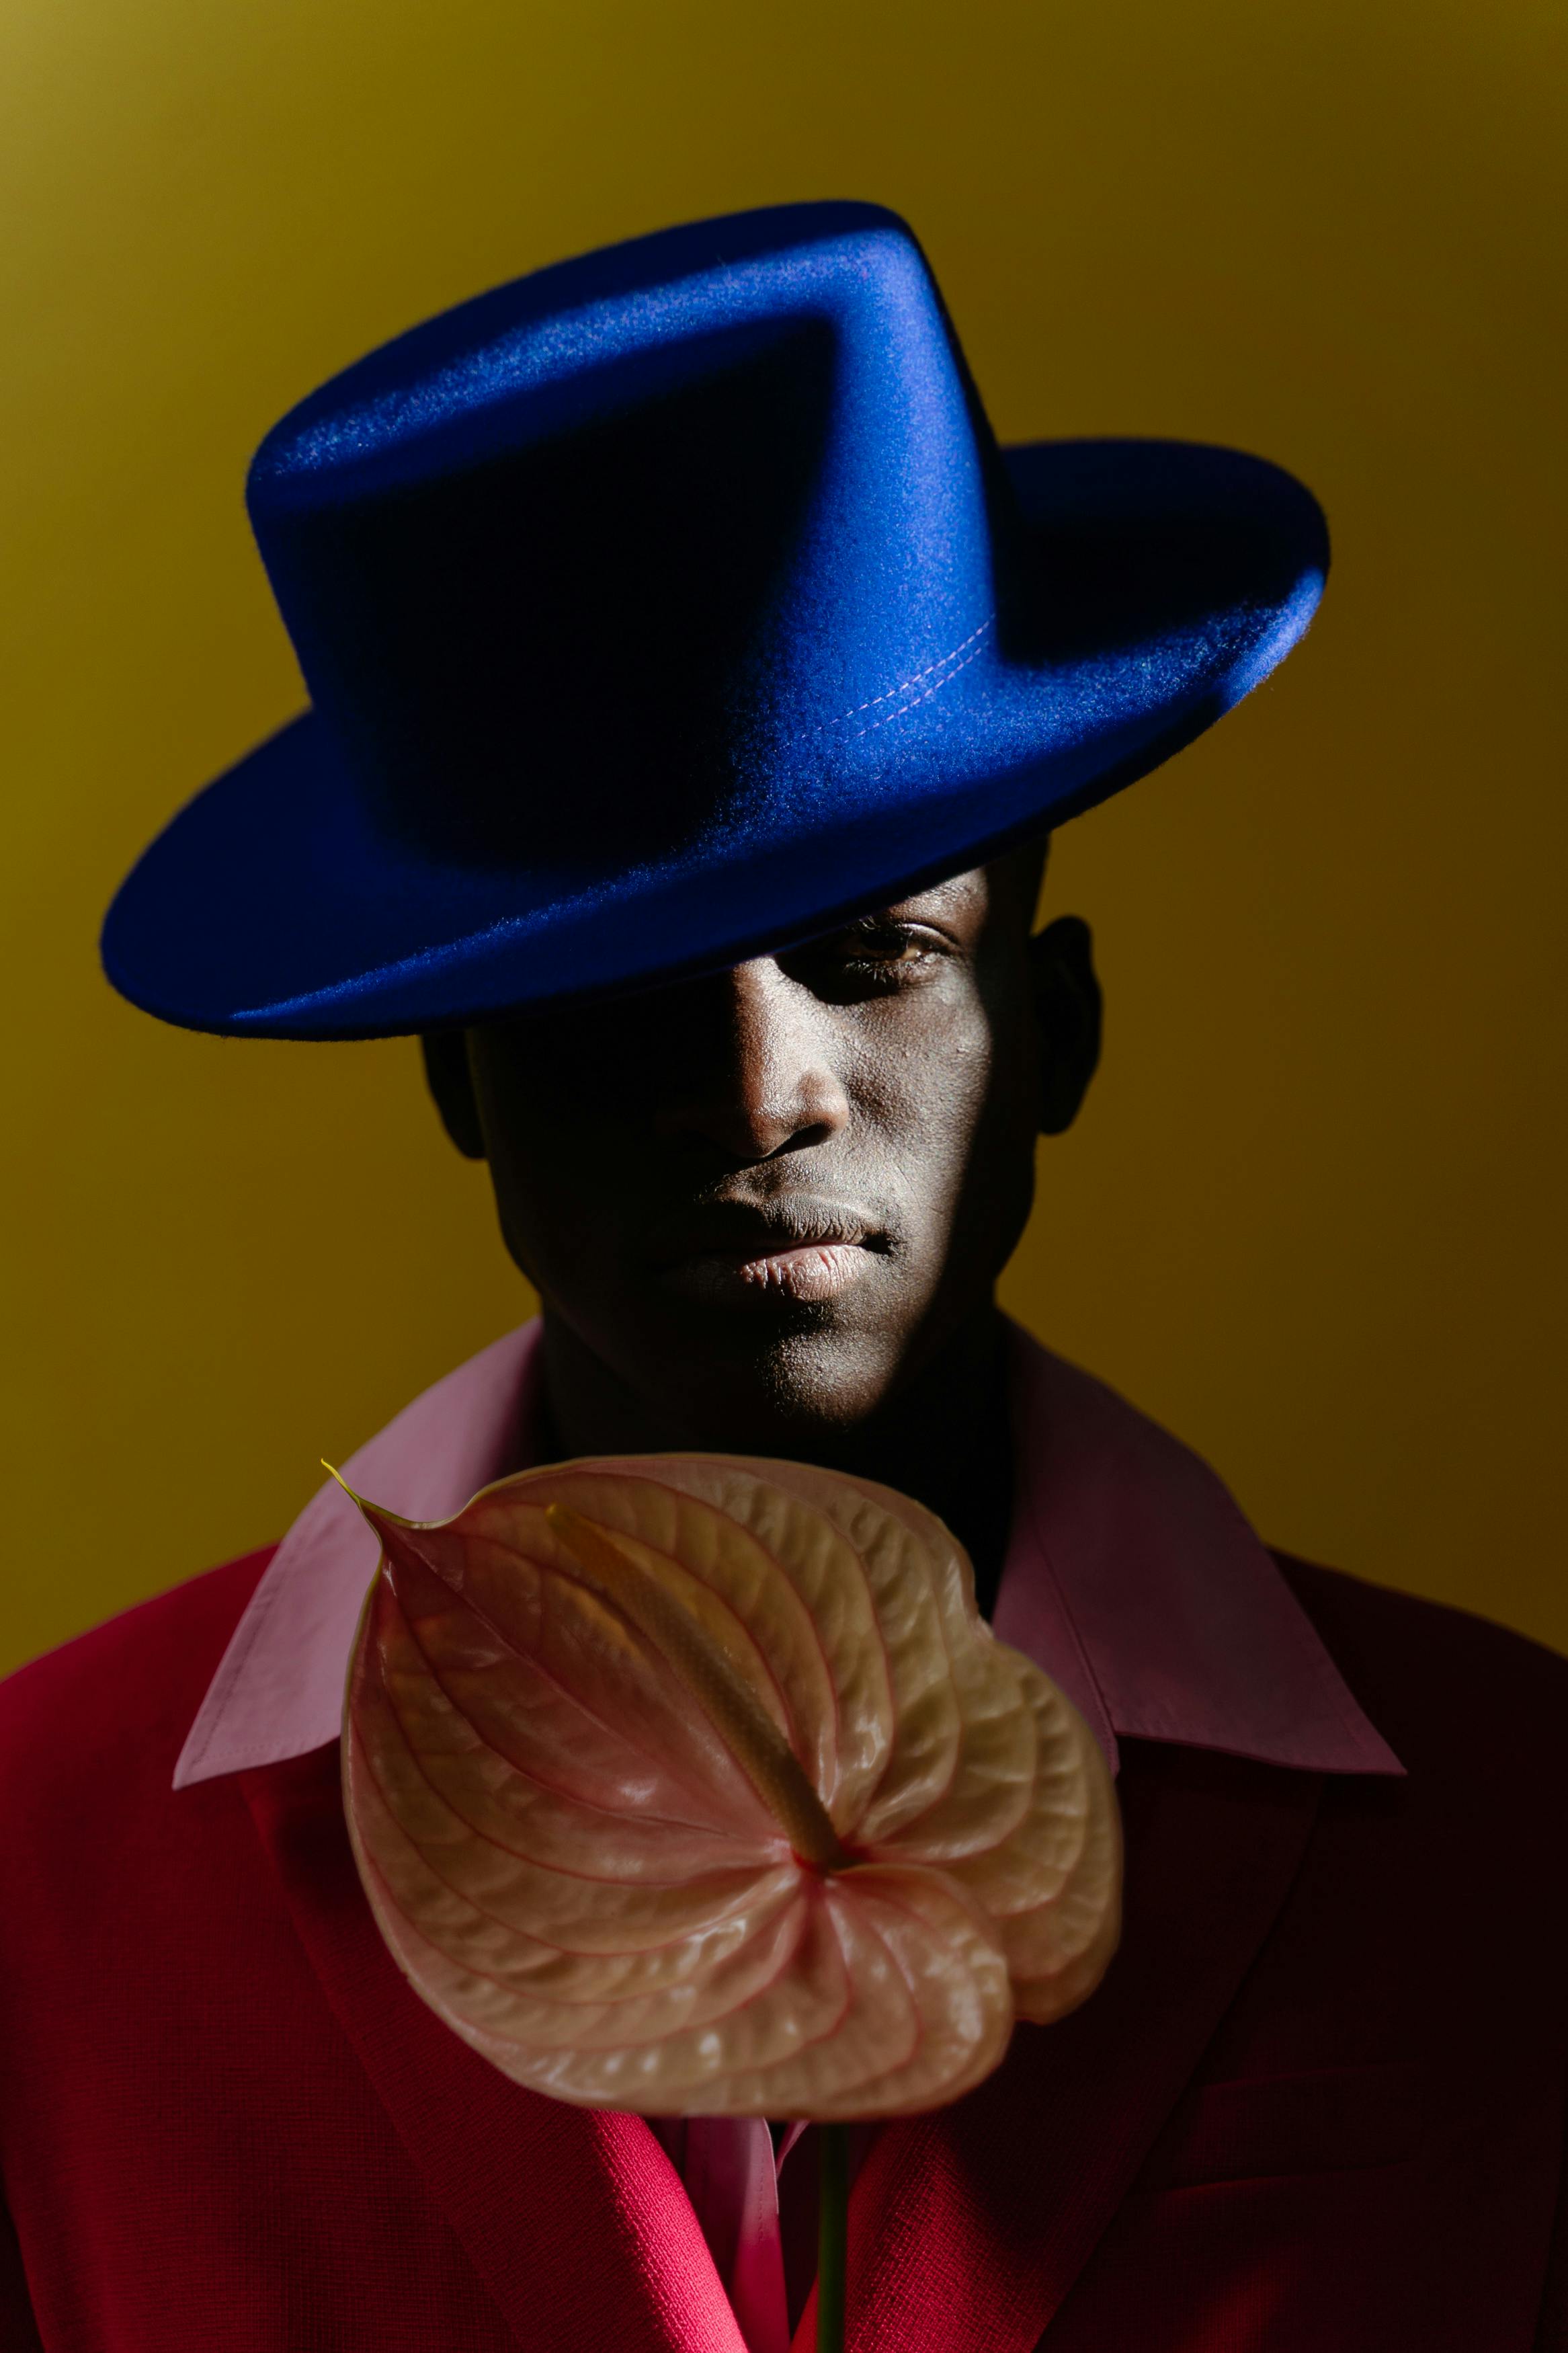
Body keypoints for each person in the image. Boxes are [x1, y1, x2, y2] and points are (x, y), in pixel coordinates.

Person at [1, 202, 1563, 2353]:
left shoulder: (1520, 1834)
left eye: (877, 952)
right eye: (612, 1002)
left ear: (1058, 1036)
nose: (760, 1094)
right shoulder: (40, 1874)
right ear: (462, 1090)